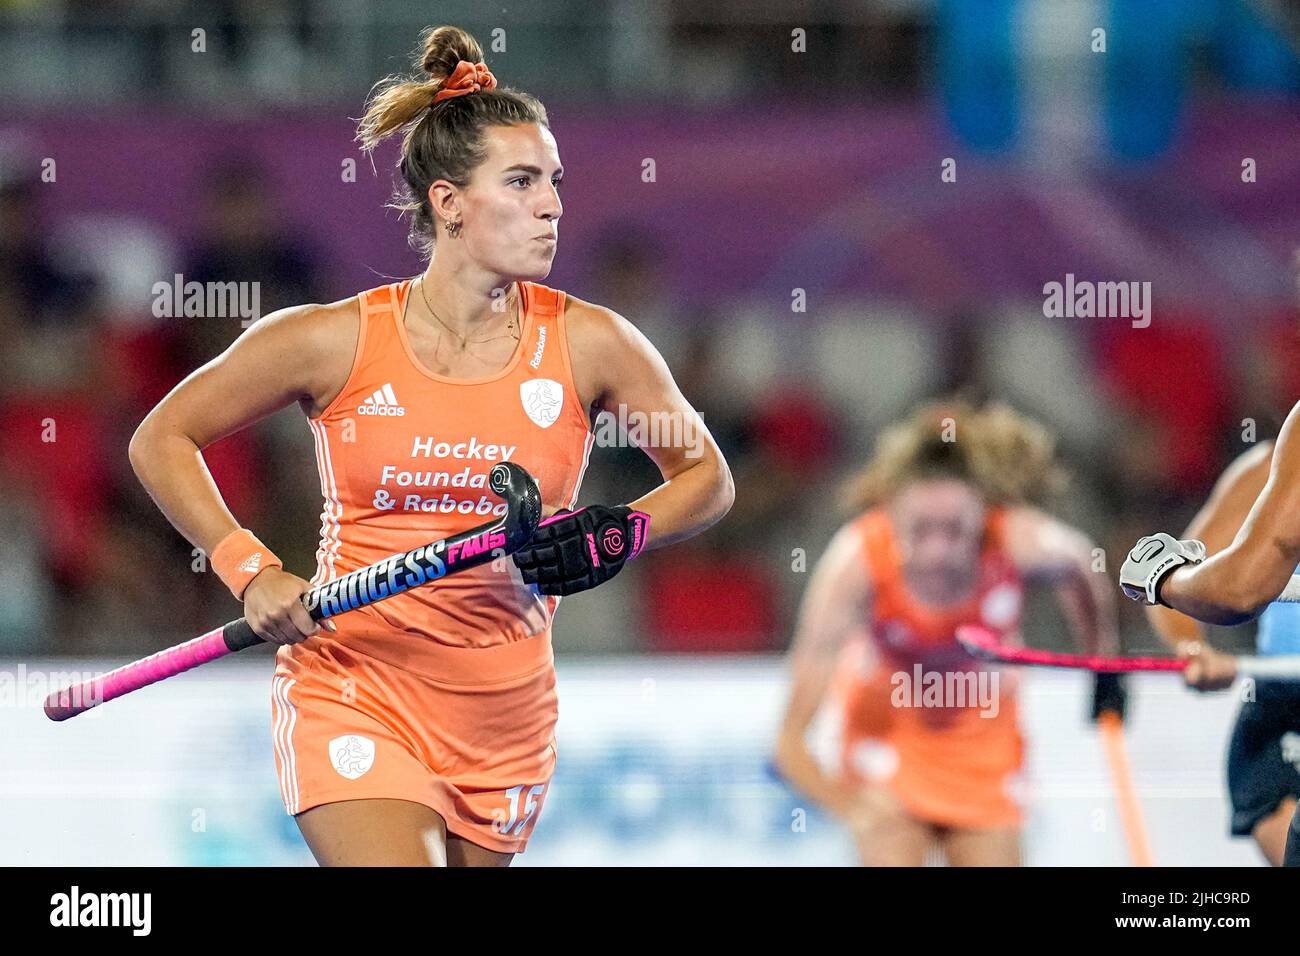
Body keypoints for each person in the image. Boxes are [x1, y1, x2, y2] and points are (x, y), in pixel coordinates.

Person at [128, 25, 733, 866]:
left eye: (555, 182)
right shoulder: (330, 339)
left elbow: (706, 476)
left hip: (504, 710)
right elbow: (163, 436)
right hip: (354, 680)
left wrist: (623, 529)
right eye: (521, 182)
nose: (553, 204)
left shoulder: (595, 344)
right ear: (449, 202)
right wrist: (250, 567)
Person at [773, 401, 1121, 866]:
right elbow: (789, 741)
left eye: (955, 531)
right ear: (892, 516)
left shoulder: (1019, 540)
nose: (937, 553)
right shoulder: (855, 563)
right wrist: (852, 806)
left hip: (984, 741)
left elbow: (1086, 570)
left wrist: (1105, 664)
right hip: (887, 735)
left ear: (984, 517)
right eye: (921, 531)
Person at [1144, 440, 1300, 866]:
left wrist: (1161, 582)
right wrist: (1192, 649)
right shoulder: (1272, 467)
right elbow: (1186, 581)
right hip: (1286, 724)